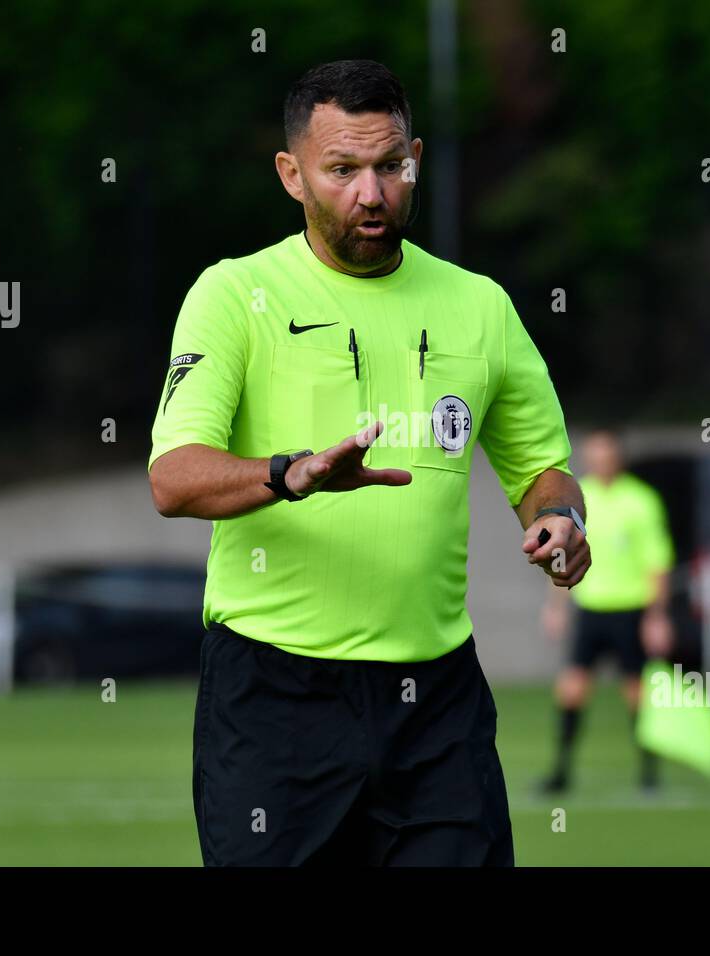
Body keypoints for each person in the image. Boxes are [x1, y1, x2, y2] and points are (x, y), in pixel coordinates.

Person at [147, 60, 589, 866]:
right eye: (342, 170)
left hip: (438, 707)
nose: (371, 193)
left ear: (415, 157)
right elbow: (173, 478)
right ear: (292, 174)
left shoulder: (480, 305)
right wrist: (290, 474)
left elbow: (540, 470)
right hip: (276, 702)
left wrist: (562, 520)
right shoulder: (234, 293)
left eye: (390, 166)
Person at [540, 429, 675, 794]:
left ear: (618, 457)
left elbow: (657, 562)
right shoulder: (576, 497)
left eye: (607, 454)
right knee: (571, 689)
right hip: (590, 609)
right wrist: (557, 605)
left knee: (636, 692)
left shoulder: (641, 501)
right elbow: (562, 555)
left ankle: (649, 774)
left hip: (630, 609)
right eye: (594, 454)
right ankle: (561, 772)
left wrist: (657, 615)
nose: (600, 461)